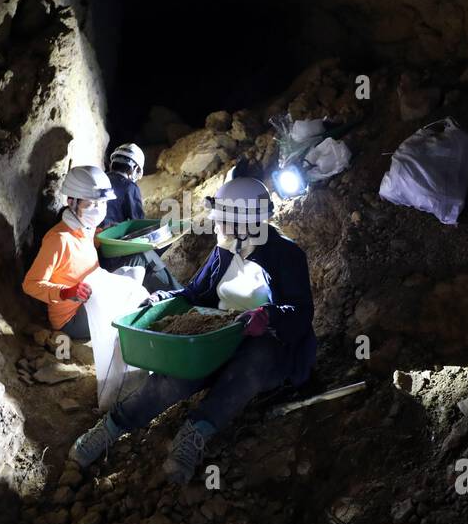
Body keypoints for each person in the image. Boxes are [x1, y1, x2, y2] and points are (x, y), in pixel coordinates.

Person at [68, 176, 317, 483]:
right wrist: (163, 297)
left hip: (266, 342)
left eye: (224, 218)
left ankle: (194, 432)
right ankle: (112, 427)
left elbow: (302, 312)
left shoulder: (286, 255)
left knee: (247, 371)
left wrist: (268, 316)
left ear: (247, 220)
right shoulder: (226, 249)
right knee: (174, 377)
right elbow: (195, 293)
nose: (217, 224)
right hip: (220, 332)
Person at [21, 165, 115, 341]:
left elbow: (81, 250)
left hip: (91, 300)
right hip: (71, 318)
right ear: (71, 202)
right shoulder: (58, 239)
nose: (98, 209)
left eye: (102, 203)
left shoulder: (85, 227)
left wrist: (108, 235)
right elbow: (30, 284)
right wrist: (66, 292)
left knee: (133, 274)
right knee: (126, 309)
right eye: (91, 203)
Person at [98, 142, 180, 294]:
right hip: (113, 257)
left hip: (97, 256)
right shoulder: (129, 186)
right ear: (135, 169)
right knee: (148, 254)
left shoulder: (99, 180)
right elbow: (139, 225)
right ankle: (178, 293)